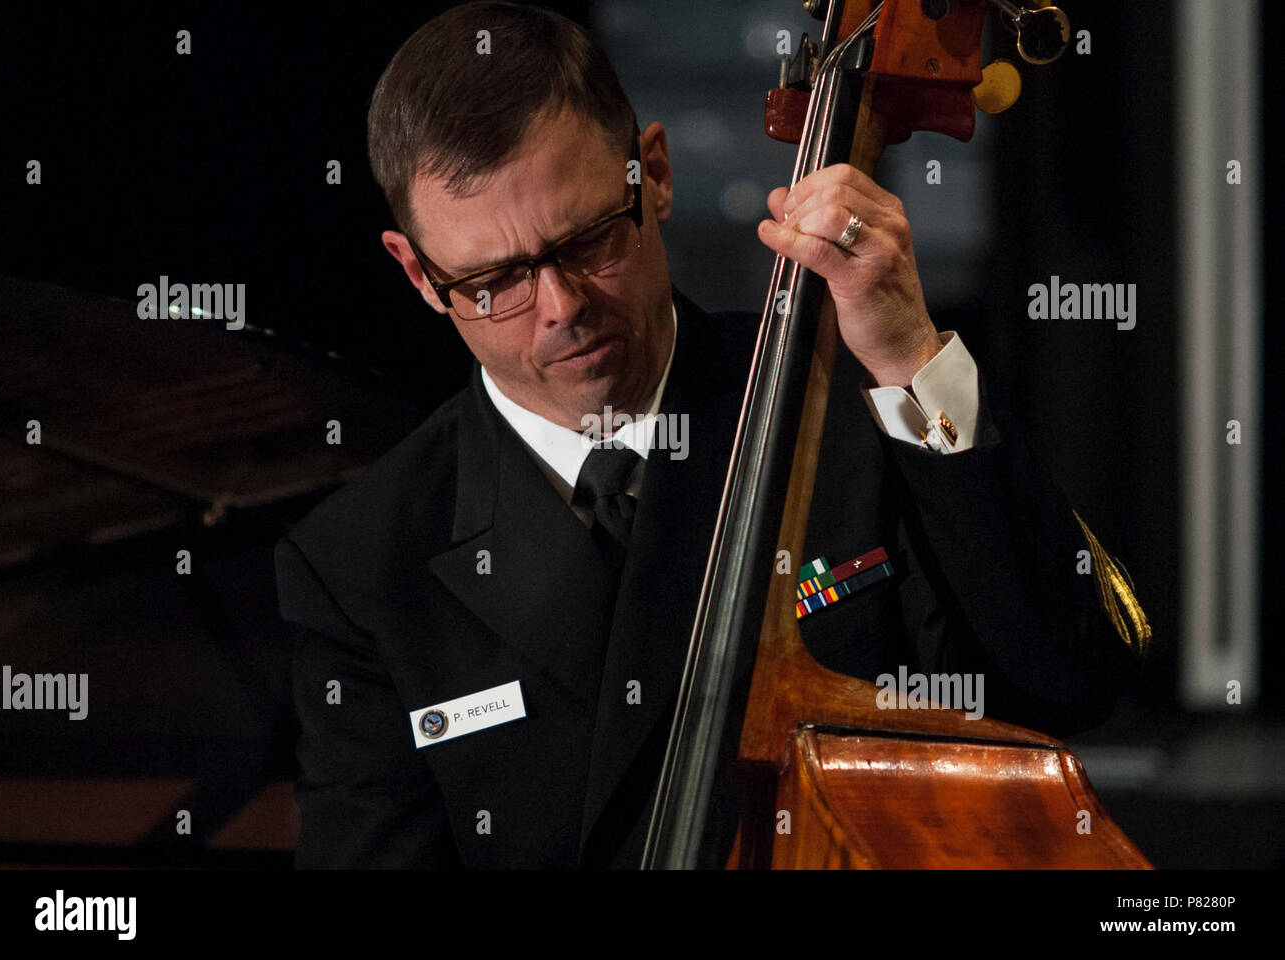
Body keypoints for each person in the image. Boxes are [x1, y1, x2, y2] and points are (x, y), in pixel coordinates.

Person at [274, 1, 1149, 869]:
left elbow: (1072, 678)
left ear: (654, 174)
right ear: (417, 273)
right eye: (494, 281)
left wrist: (912, 357)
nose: (562, 307)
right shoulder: (358, 563)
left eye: (588, 240)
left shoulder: (862, 403)